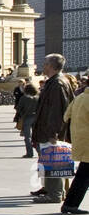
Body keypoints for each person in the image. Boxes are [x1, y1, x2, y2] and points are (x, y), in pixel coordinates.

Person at [32, 55, 77, 204]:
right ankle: (56, 191)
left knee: (54, 161)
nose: (42, 66)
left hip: (50, 131)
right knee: (51, 160)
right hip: (48, 129)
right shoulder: (55, 81)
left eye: (45, 64)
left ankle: (54, 194)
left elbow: (57, 111)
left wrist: (54, 133)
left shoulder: (57, 83)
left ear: (51, 66)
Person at [58, 83, 89, 215]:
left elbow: (66, 116)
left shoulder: (80, 97)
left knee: (83, 175)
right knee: (83, 175)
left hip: (81, 141)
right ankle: (70, 204)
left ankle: (70, 204)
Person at [15, 83, 38, 159]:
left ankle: (29, 153)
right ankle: (40, 152)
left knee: (27, 137)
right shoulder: (38, 97)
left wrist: (22, 114)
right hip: (36, 118)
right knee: (36, 136)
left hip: (27, 117)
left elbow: (19, 108)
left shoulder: (24, 98)